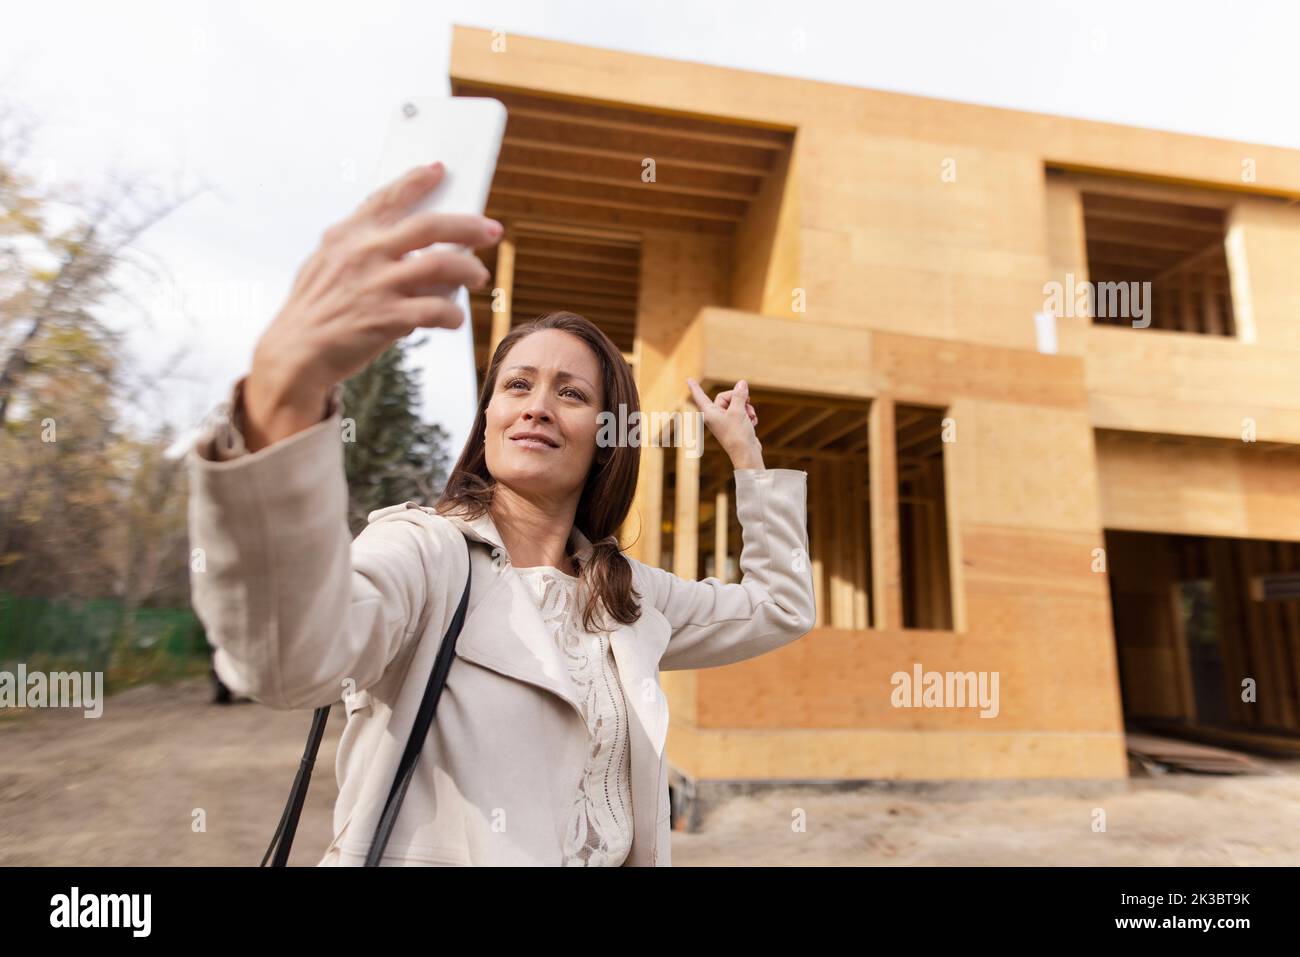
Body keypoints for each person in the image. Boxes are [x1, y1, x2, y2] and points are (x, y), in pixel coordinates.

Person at [186, 162, 816, 866]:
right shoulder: (424, 552)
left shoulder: (628, 596)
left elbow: (780, 605)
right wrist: (282, 399)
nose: (537, 405)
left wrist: (749, 462)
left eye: (572, 394)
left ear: (608, 437)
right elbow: (285, 660)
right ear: (488, 418)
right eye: (517, 384)